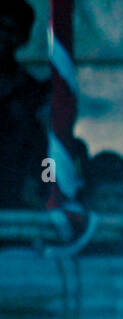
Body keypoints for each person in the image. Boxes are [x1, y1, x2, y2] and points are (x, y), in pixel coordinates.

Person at [0, 0, 49, 210]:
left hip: (20, 197)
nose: (2, 38)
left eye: (10, 30)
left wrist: (42, 184)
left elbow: (48, 157)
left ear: (23, 38)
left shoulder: (34, 94)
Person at [80, 151, 123, 256]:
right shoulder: (75, 246)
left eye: (120, 197)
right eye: (103, 197)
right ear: (88, 201)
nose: (112, 205)